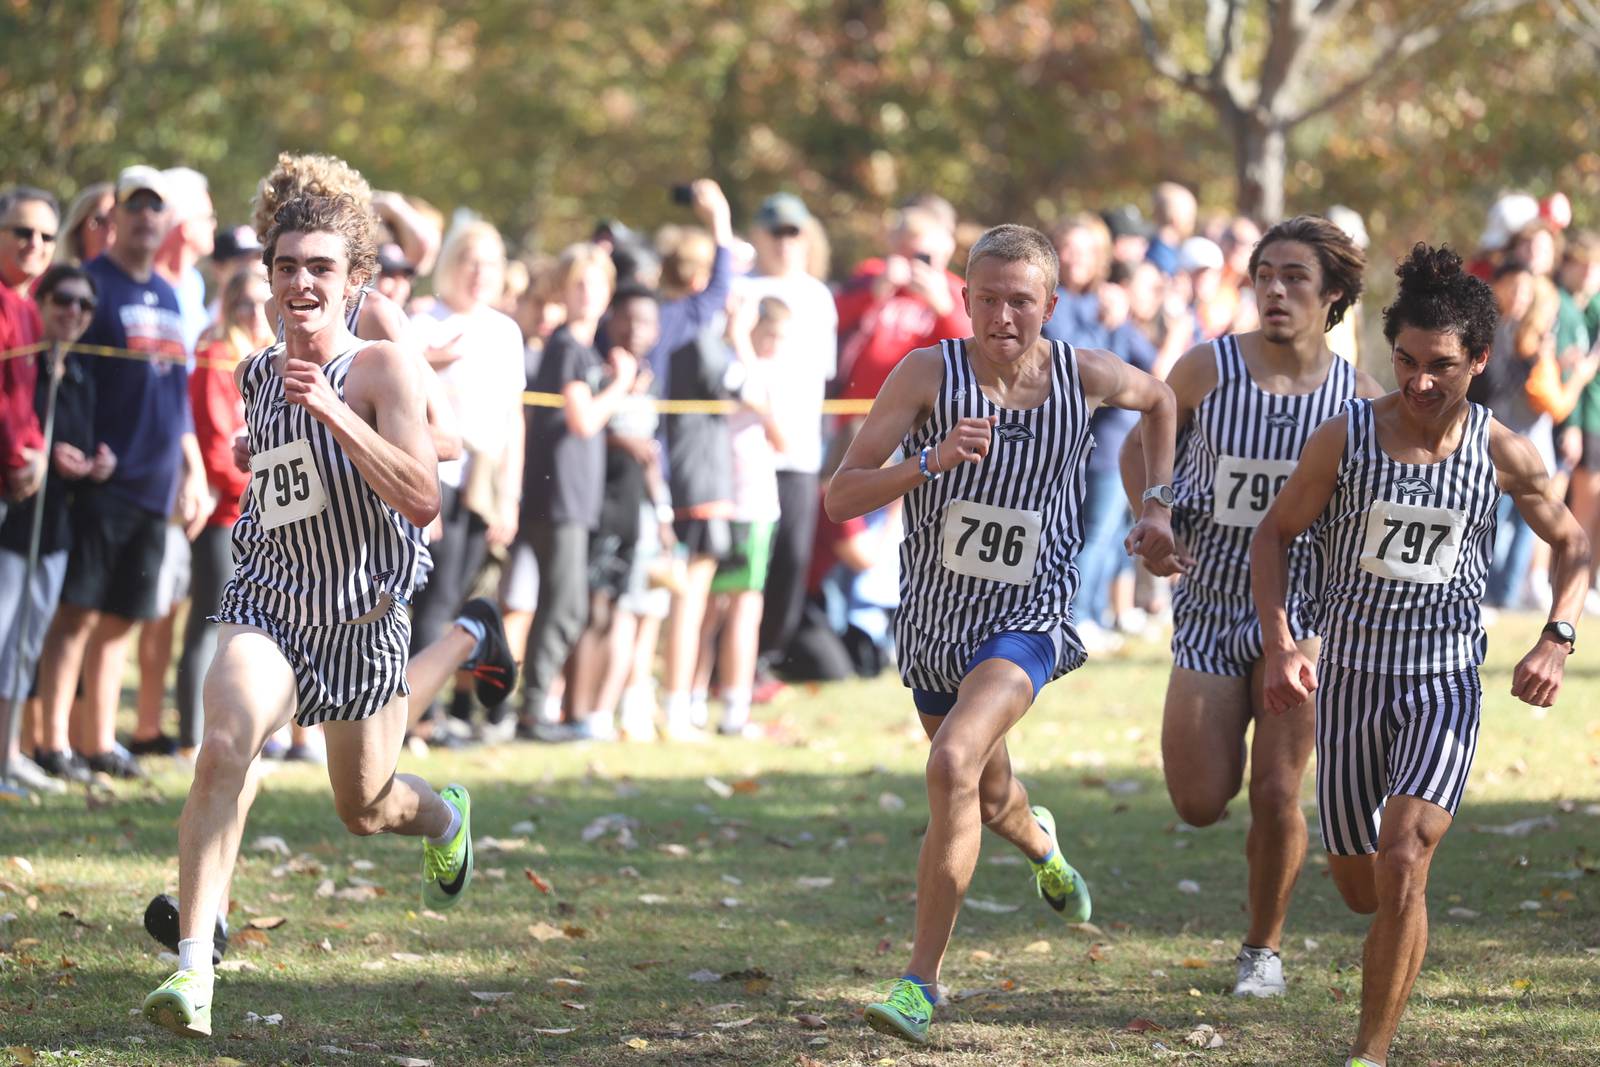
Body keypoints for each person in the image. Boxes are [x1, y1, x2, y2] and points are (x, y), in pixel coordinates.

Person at [826, 224, 1181, 1045]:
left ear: (1051, 305)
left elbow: (1161, 398)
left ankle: (920, 983)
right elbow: (840, 497)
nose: (1003, 316)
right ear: (966, 300)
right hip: (934, 626)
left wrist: (1156, 506)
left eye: (1021, 300)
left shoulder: (1082, 374)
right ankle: (1043, 844)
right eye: (987, 299)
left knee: (950, 760)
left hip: (1030, 618)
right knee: (985, 794)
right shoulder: (927, 374)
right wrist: (930, 461)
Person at [141, 194, 473, 1040]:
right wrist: (271, 448)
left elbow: (423, 495)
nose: (301, 281)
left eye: (320, 266)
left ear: (355, 278)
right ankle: (194, 969)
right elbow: (291, 487)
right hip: (272, 597)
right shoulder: (257, 373)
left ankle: (446, 815)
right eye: (286, 265)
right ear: (268, 276)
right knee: (224, 745)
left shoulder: (383, 369)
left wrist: (330, 412)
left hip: (361, 614)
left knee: (363, 806)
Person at [1250, 244, 1590, 1067]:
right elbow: (1275, 534)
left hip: (1442, 684)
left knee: (1405, 858)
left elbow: (1574, 543)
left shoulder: (1503, 453)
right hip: (1352, 682)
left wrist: (1558, 634)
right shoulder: (1346, 440)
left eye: (1441, 365)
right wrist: (1280, 641)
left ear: (1480, 359)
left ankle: (1370, 1052)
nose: (1420, 381)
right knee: (1361, 883)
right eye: (1404, 360)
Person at [1122, 215, 1383, 998]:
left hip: (1301, 617)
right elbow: (1145, 442)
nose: (1274, 289)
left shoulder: (1359, 399)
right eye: (1264, 273)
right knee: (1200, 800)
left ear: (1331, 293)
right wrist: (1154, 511)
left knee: (1277, 790)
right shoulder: (1206, 367)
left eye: (1294, 277)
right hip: (1209, 599)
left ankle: (1261, 950)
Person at [34, 166, 208, 780]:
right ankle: (52, 741)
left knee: (122, 622)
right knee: (76, 613)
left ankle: (98, 740)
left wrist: (193, 472)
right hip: (103, 481)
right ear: (114, 217)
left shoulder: (166, 293)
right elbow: (69, 382)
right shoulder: (92, 286)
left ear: (165, 222)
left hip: (156, 484)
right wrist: (81, 451)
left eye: (153, 208)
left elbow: (180, 397)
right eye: (133, 206)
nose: (143, 217)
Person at [511, 242, 635, 737]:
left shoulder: (583, 349)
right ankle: (534, 708)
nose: (587, 295)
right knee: (564, 606)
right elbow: (582, 419)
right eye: (578, 284)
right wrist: (621, 385)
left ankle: (538, 705)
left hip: (575, 496)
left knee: (565, 604)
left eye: (596, 286)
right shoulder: (566, 346)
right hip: (556, 495)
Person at [408, 221, 524, 728]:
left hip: (485, 481)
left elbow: (511, 418)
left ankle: (442, 712)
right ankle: (418, 716)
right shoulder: (423, 319)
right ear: (450, 263)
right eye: (469, 261)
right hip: (433, 476)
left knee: (461, 595)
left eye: (489, 264)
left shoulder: (505, 331)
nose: (478, 273)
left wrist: (510, 495)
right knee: (429, 597)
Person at [0, 265, 111, 793]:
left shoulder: (83, 369)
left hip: (58, 525)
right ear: (40, 302)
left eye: (84, 305)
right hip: (16, 517)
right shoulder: (23, 361)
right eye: (63, 300)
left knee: (26, 642)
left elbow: (82, 436)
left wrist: (95, 462)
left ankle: (9, 755)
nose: (73, 312)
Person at [740, 193, 837, 690]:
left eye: (793, 231)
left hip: (800, 450)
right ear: (757, 235)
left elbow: (825, 375)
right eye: (775, 231)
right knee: (744, 562)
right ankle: (732, 660)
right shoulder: (741, 289)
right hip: (746, 451)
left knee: (792, 559)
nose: (784, 242)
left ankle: (765, 656)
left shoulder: (818, 296)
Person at [53, 182, 115, 267]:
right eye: (100, 221)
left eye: (118, 222)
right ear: (78, 230)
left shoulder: (136, 278)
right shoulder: (58, 278)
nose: (110, 234)